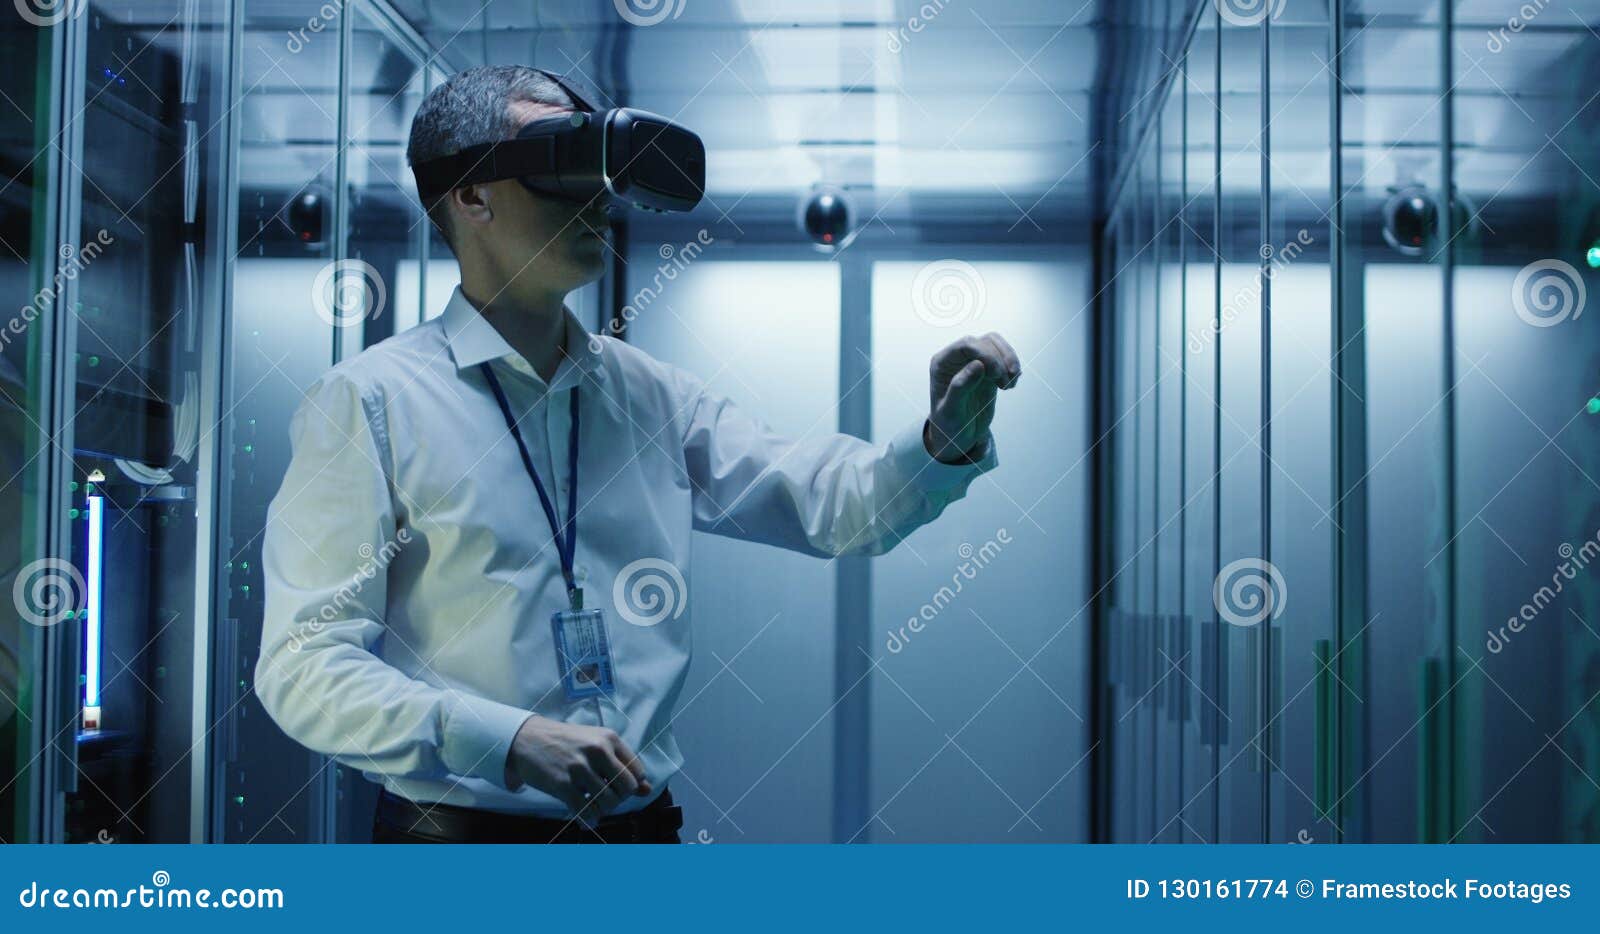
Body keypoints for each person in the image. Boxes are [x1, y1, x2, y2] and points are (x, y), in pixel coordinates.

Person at [255, 65, 1020, 844]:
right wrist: (505, 740)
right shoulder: (369, 403)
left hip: (640, 837)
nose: (597, 196)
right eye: (563, 163)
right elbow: (302, 667)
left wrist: (943, 440)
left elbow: (830, 505)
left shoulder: (647, 394)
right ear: (473, 195)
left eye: (599, 168)